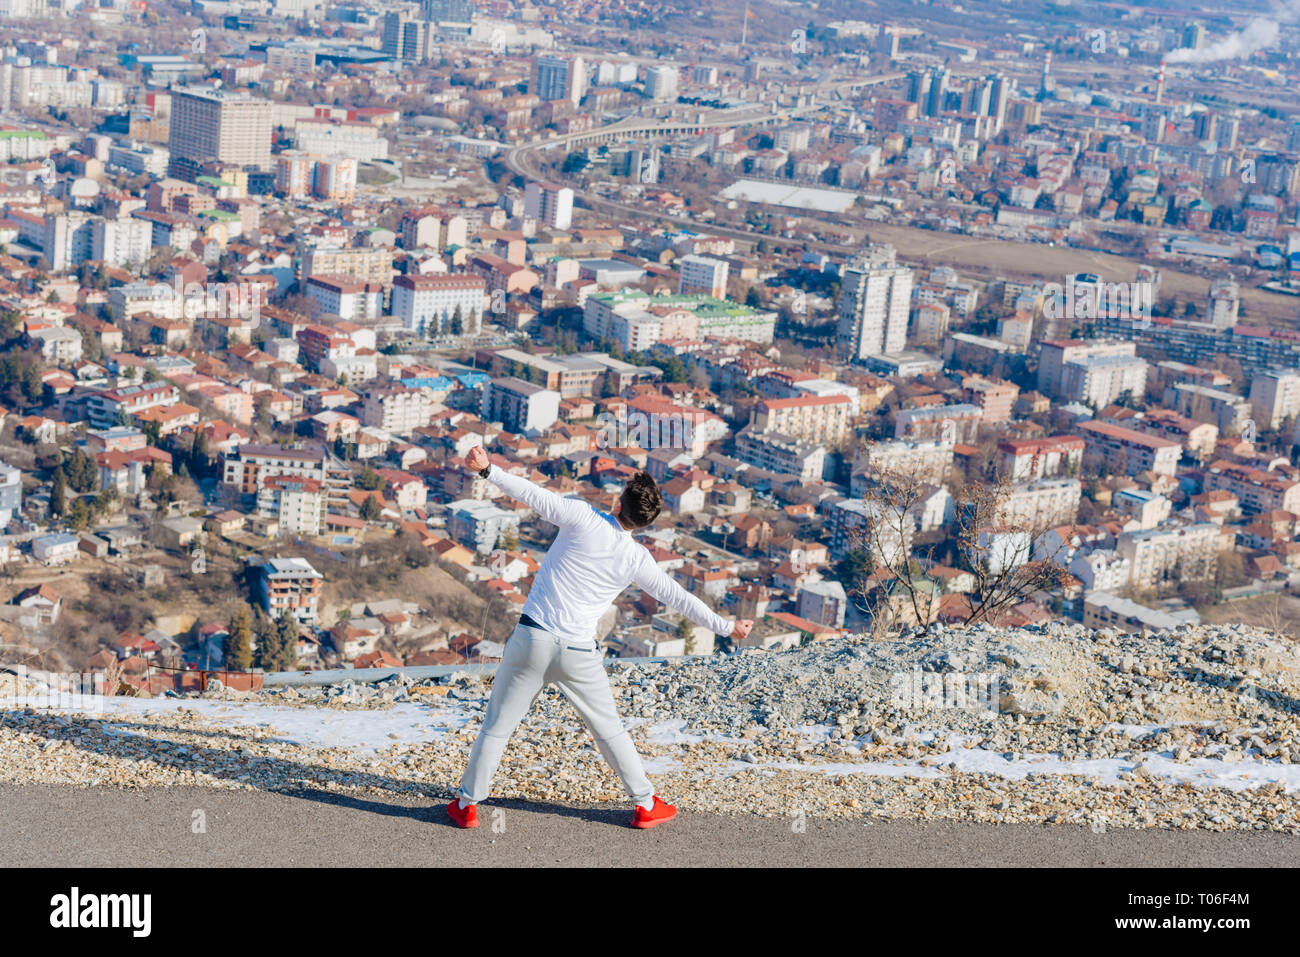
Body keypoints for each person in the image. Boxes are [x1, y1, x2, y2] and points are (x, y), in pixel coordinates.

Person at [446, 447, 753, 829]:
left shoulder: (582, 516)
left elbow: (533, 495)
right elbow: (677, 596)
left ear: (616, 502)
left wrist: (488, 470)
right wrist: (727, 627)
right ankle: (644, 804)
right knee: (609, 730)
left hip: (533, 637)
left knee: (498, 727)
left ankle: (467, 805)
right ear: (643, 523)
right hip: (578, 653)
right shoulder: (637, 558)